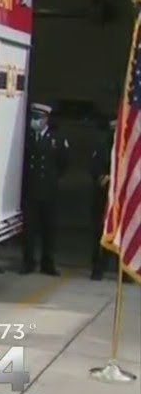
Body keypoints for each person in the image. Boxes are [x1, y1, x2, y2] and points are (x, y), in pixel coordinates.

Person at [21, 103, 69, 276]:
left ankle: (48, 263)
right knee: (29, 231)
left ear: (46, 119)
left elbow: (63, 163)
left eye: (39, 118)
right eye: (33, 117)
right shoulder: (26, 138)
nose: (35, 121)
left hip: (49, 192)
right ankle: (28, 262)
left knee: (50, 230)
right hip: (31, 191)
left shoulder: (56, 138)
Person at [89, 118, 117, 280]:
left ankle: (123, 269)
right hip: (103, 198)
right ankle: (98, 266)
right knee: (100, 233)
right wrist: (103, 178)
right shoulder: (102, 148)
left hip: (121, 202)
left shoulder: (128, 149)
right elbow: (94, 168)